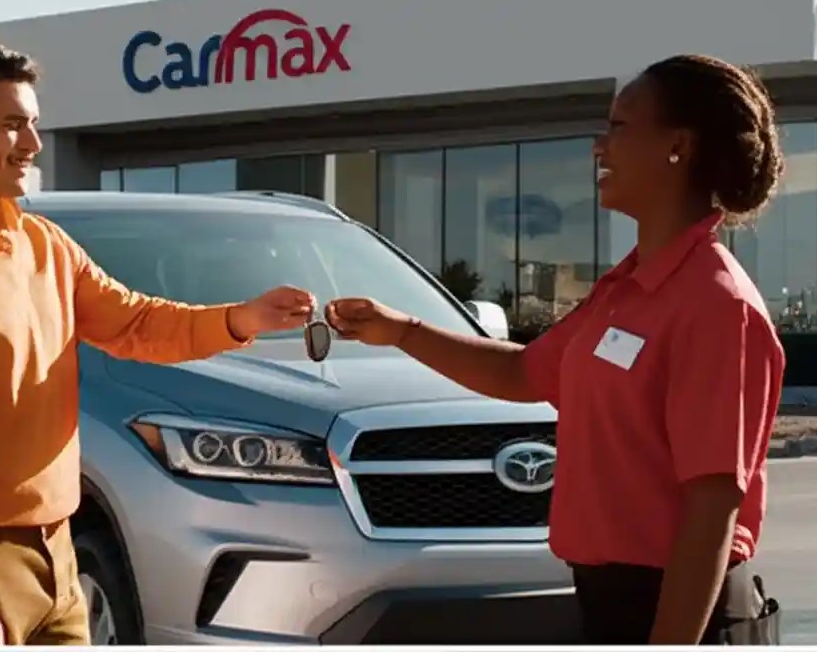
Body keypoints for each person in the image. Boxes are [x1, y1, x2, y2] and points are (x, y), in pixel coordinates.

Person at [0, 39, 315, 646]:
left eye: (36, 125)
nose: (34, 145)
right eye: (13, 124)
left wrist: (241, 319)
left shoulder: (44, 245)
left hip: (59, 552)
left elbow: (135, 323)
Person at [326, 54, 786, 646]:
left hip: (678, 615)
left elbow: (711, 509)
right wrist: (402, 331)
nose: (600, 147)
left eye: (619, 128)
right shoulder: (624, 289)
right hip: (610, 605)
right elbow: (522, 372)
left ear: (678, 146)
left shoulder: (718, 305)